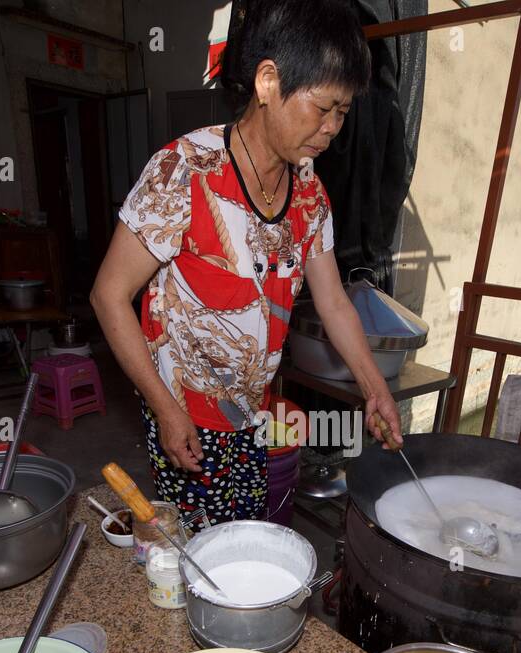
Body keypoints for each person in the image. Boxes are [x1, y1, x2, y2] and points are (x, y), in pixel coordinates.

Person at [90, 0, 403, 523]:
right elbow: (108, 295)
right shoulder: (185, 173)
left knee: (249, 530)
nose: (332, 128)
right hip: (185, 412)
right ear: (267, 82)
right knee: (202, 552)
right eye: (323, 107)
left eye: (343, 113)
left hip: (253, 413)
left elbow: (333, 303)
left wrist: (375, 389)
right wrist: (166, 410)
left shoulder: (309, 195)